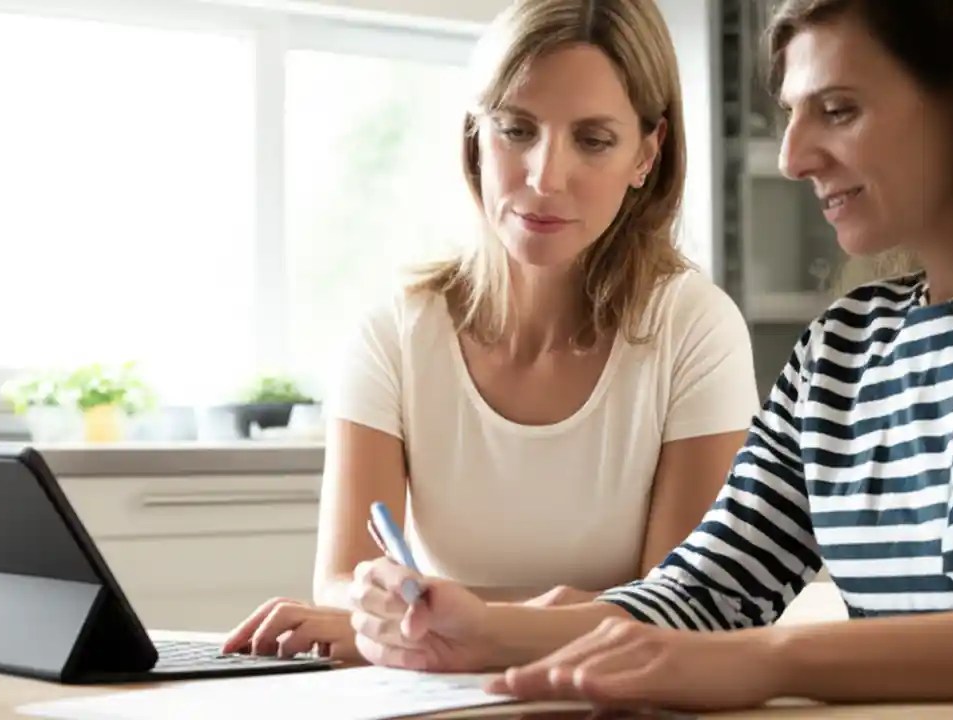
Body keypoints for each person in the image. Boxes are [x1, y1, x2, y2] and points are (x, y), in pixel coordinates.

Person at [351, 0, 953, 707]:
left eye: (838, 110)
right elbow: (701, 597)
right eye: (792, 113)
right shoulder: (842, 350)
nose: (795, 156)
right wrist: (473, 627)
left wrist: (777, 659)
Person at [220, 0, 759, 662]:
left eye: (592, 141)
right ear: (475, 134)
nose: (544, 177)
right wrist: (377, 607)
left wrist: (466, 625)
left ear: (647, 155)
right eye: (516, 129)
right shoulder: (394, 335)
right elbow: (343, 586)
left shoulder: (696, 331)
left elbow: (682, 611)